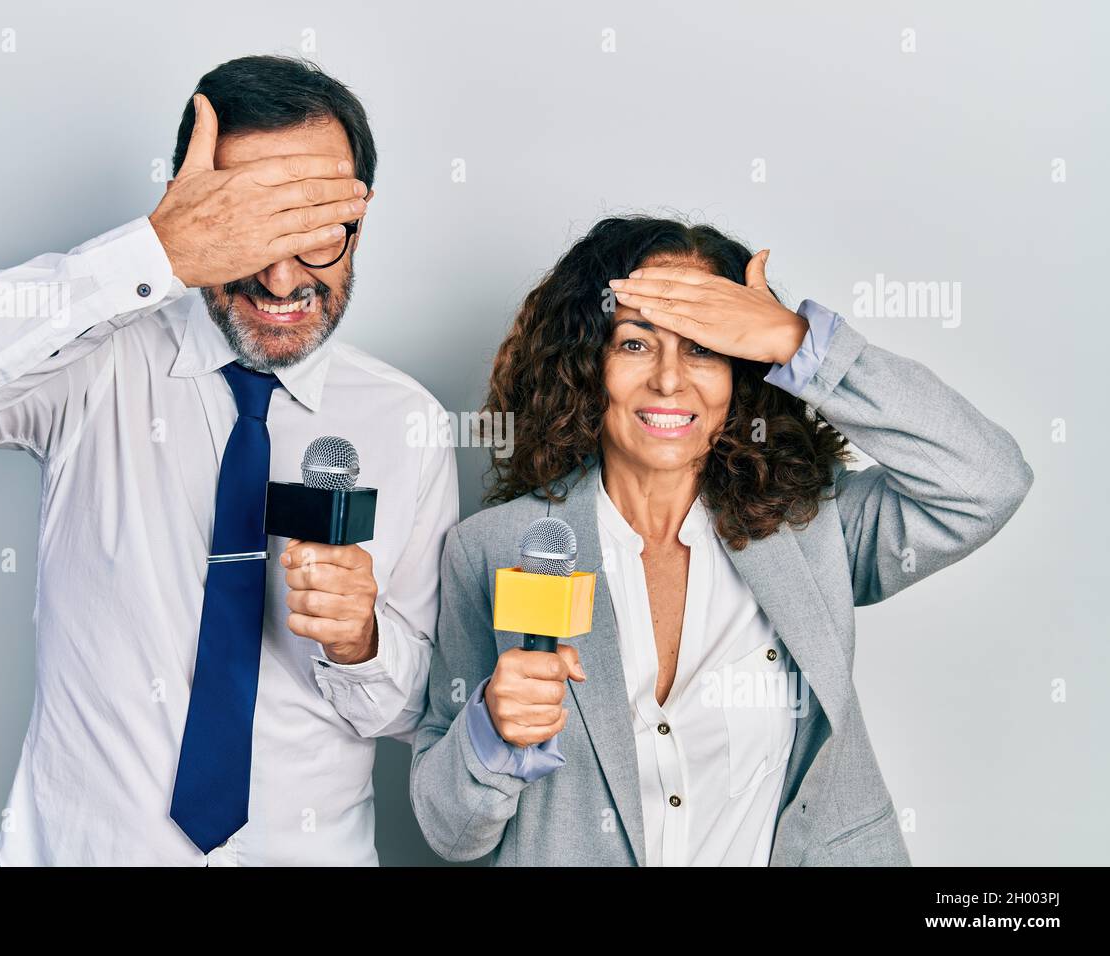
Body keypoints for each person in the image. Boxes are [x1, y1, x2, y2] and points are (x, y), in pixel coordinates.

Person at [0, 55, 458, 866]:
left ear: (359, 223)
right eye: (247, 227)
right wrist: (150, 254)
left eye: (310, 228)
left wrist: (363, 641)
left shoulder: (408, 422)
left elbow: (421, 710)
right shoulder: (91, 362)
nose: (278, 275)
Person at [409, 216, 1032, 865]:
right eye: (635, 344)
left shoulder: (810, 529)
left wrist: (800, 342)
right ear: (585, 365)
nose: (671, 380)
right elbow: (452, 832)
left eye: (703, 347)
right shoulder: (493, 549)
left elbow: (986, 481)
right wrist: (493, 731)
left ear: (743, 370)